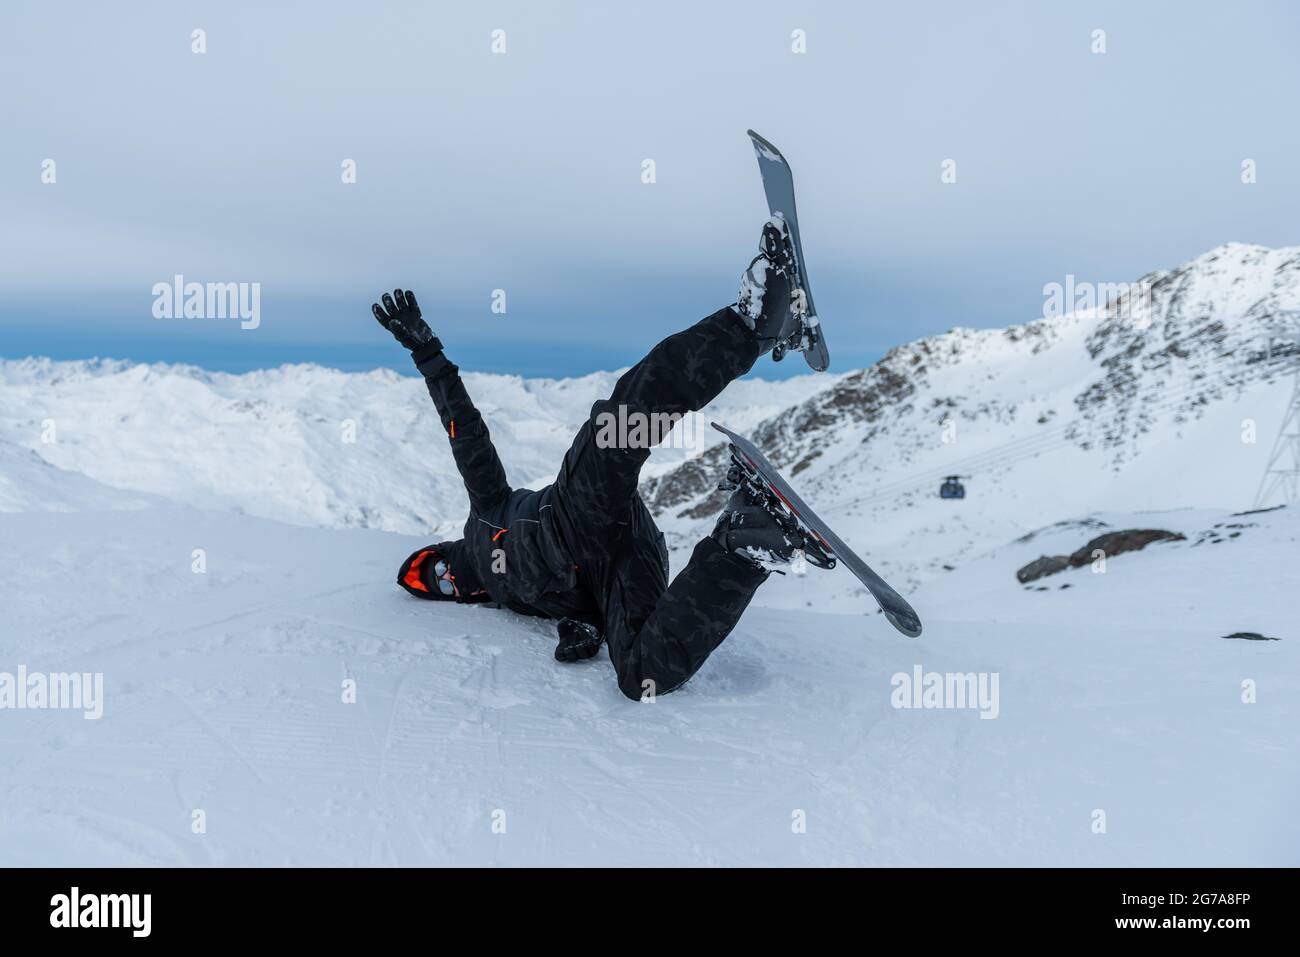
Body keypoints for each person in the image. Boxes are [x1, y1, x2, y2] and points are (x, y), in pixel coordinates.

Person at [374, 220, 820, 700]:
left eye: (433, 570)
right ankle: (747, 539)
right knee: (640, 677)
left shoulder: (483, 520)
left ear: (441, 553)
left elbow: (467, 435)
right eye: (434, 587)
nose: (444, 581)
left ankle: (754, 323)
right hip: (620, 568)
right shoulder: (513, 601)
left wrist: (429, 355)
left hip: (576, 512)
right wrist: (581, 631)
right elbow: (578, 607)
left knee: (619, 425)